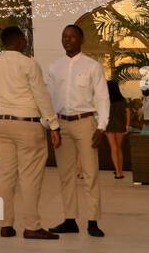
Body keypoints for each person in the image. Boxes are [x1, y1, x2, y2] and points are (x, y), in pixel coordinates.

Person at [0, 25, 63, 239]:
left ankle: (4, 224)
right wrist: (53, 124)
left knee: (4, 175)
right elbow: (41, 95)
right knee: (30, 176)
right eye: (24, 39)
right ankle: (32, 226)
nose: (26, 42)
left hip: (2, 125)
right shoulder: (29, 64)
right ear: (19, 42)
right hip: (27, 123)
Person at [45, 24, 109, 238]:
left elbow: (102, 97)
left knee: (90, 173)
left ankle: (92, 221)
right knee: (65, 174)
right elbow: (50, 98)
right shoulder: (55, 67)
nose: (67, 40)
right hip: (62, 125)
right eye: (64, 36)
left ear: (81, 40)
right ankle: (70, 219)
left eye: (72, 36)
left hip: (85, 123)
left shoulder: (92, 66)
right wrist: (51, 126)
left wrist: (102, 126)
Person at [105, 80, 129, 180]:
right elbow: (128, 112)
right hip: (120, 126)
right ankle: (120, 170)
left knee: (113, 148)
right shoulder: (122, 100)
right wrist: (127, 125)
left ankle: (118, 172)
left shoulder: (105, 100)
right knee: (119, 148)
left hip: (109, 126)